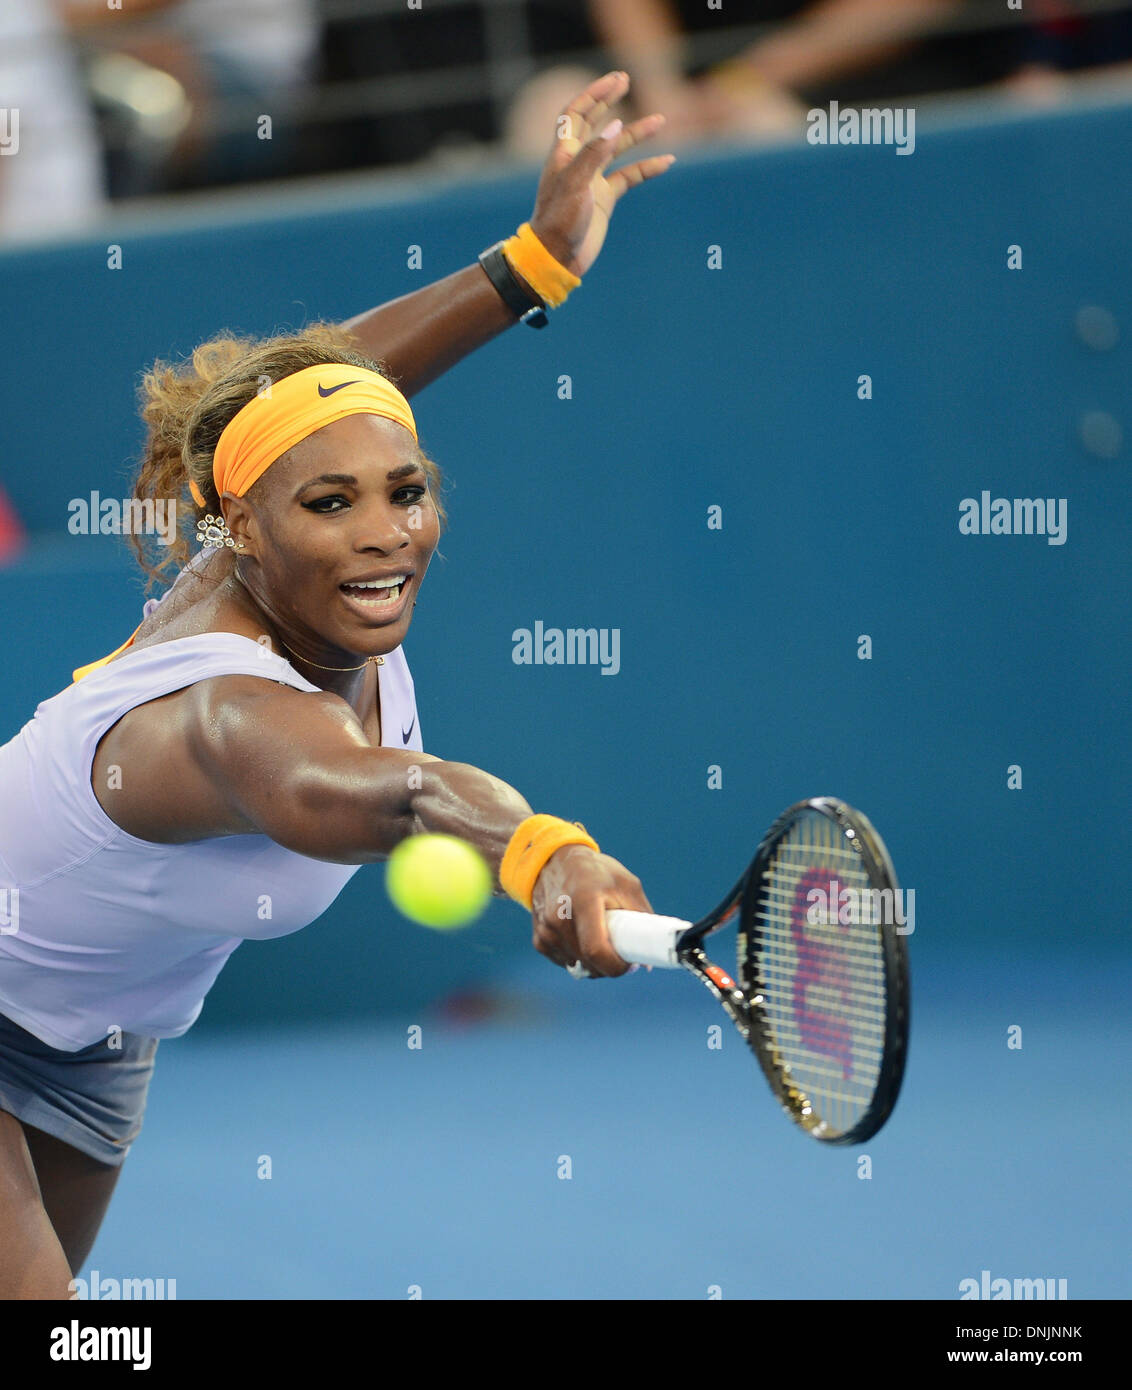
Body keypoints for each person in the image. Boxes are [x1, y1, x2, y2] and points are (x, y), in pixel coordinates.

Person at [0, 70, 674, 1300]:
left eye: (405, 492)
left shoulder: (265, 511)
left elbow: (314, 397)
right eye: (331, 505)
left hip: (90, 1039)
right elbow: (401, 793)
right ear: (243, 527)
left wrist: (532, 264)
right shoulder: (228, 716)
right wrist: (542, 851)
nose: (383, 533)